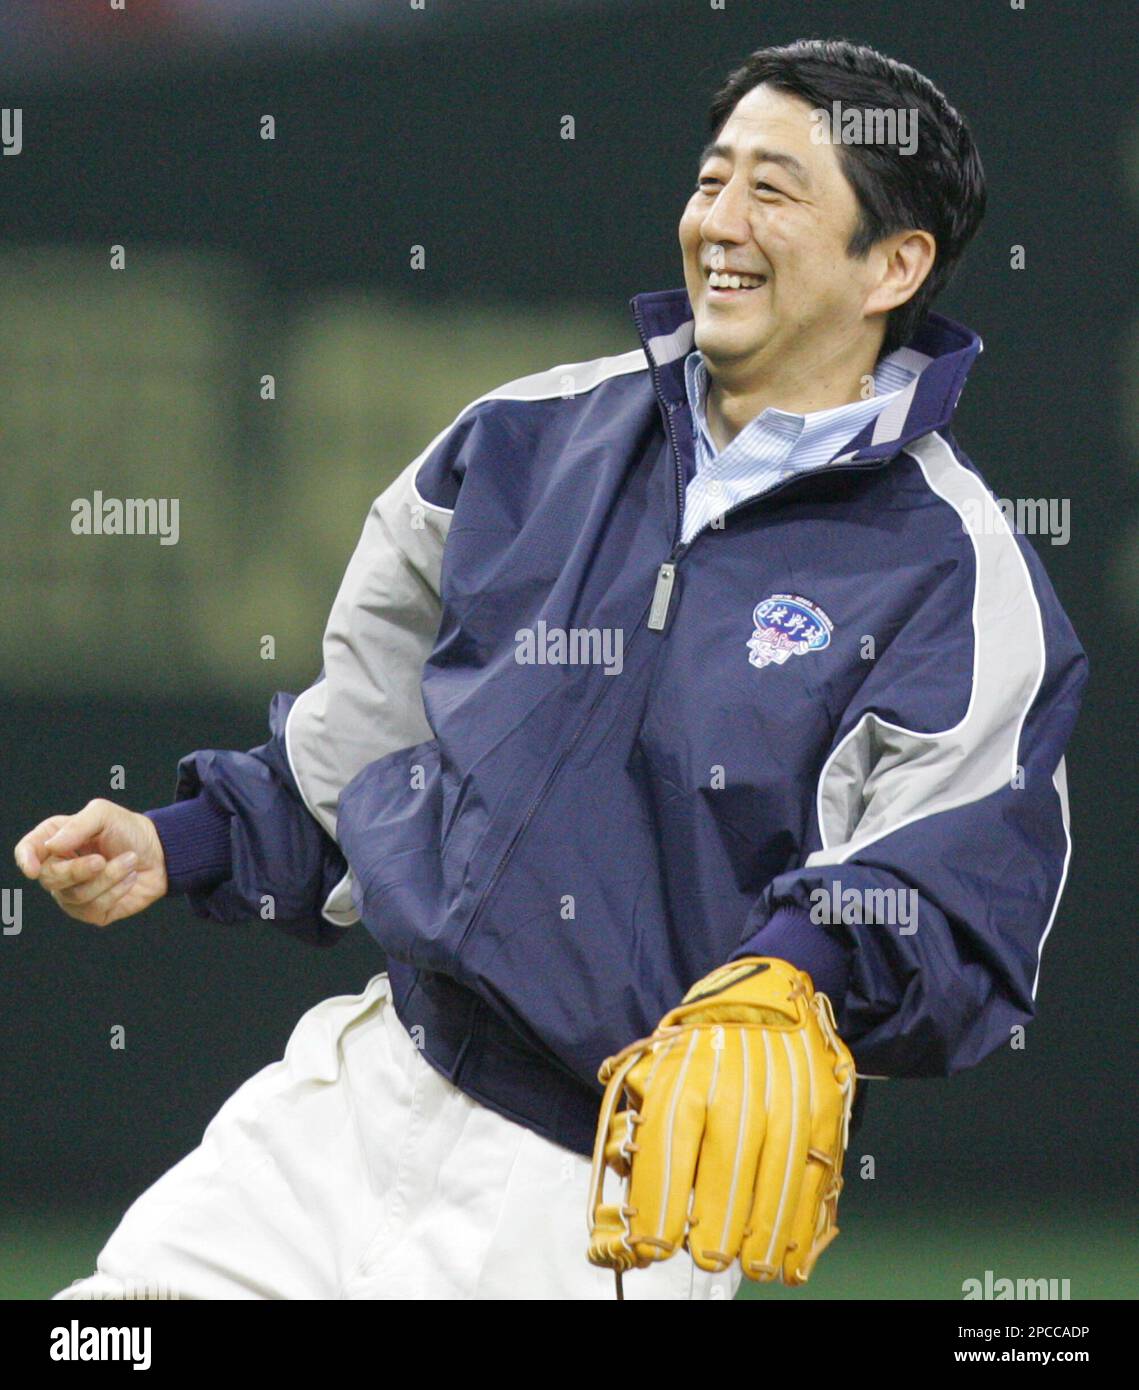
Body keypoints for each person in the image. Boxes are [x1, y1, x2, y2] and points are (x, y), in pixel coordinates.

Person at [15, 38, 1086, 1301]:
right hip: (362, 1093)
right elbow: (356, 756)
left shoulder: (951, 574)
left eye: (775, 190)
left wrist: (788, 969)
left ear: (891, 265)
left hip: (604, 1203)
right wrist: (177, 842)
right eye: (711, 178)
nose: (720, 222)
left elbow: (951, 901)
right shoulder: (522, 441)